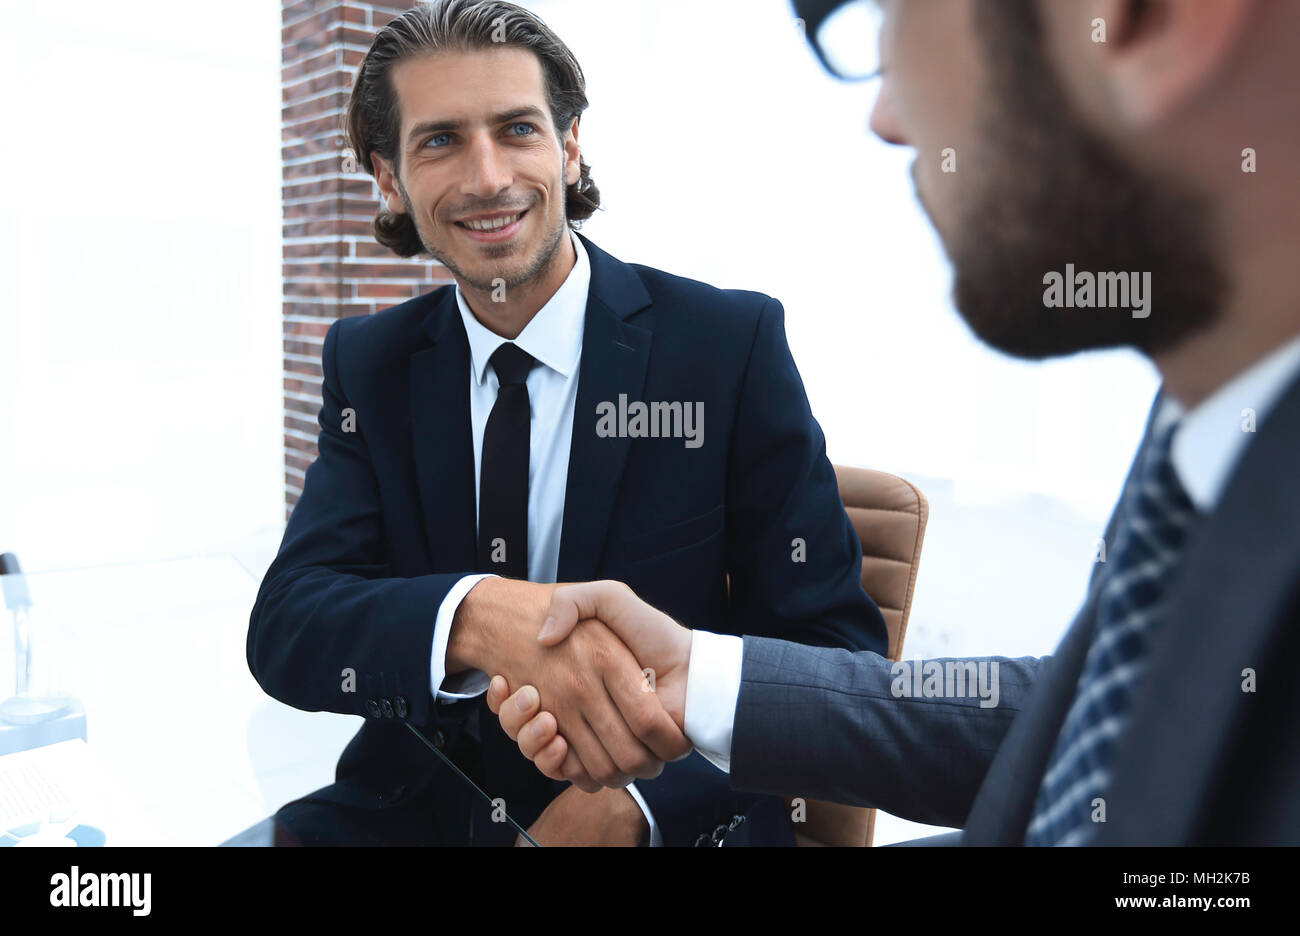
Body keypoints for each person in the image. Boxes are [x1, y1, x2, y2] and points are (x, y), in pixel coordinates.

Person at [486, 0, 1300, 844]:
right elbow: (1110, 719)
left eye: (891, 17)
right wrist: (708, 682)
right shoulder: (1207, 425)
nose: (886, 120)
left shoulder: (725, 339)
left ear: (1150, 18)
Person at [247, 0, 886, 847]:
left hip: (670, 816)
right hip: (412, 811)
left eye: (516, 129)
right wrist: (478, 617)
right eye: (439, 141)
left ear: (569, 144)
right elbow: (292, 621)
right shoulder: (368, 361)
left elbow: (837, 661)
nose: (485, 177)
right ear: (389, 179)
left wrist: (640, 806)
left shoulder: (726, 348)